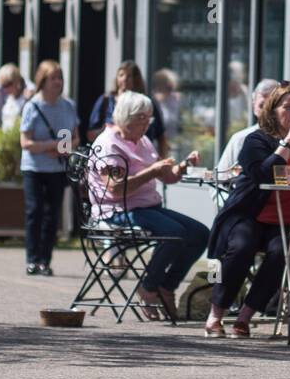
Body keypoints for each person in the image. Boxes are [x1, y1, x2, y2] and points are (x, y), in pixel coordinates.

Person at [204, 80, 290, 339]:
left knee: (280, 252)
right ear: (273, 109)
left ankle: (245, 317)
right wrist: (287, 143)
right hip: (251, 214)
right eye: (288, 107)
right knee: (241, 247)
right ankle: (216, 315)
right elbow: (261, 173)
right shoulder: (256, 139)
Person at [90, 91, 209, 319]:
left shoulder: (142, 141)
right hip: (117, 210)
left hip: (147, 207)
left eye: (149, 118)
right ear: (126, 117)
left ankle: (166, 287)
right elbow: (114, 189)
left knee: (201, 233)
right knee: (174, 233)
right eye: (142, 118)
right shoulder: (109, 145)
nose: (147, 124)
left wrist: (183, 166)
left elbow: (168, 177)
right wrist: (152, 171)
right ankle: (148, 287)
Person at [20, 59, 80, 276]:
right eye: (53, 78)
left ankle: (45, 260)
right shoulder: (33, 106)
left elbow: (72, 138)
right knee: (34, 212)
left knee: (52, 215)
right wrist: (51, 146)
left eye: (60, 77)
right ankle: (32, 259)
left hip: (56, 168)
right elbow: (26, 142)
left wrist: (63, 149)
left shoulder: (68, 106)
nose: (58, 82)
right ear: (42, 81)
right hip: (34, 168)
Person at [85, 61, 166, 155]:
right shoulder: (106, 101)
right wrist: (107, 130)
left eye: (129, 76)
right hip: (115, 155)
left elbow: (161, 137)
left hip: (141, 158)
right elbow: (90, 134)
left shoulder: (147, 104)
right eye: (121, 75)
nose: (124, 79)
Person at [217, 78, 280, 175]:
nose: (267, 111)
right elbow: (221, 178)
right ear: (253, 105)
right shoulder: (240, 139)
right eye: (262, 105)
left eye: (272, 106)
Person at [150, 68, 181, 145]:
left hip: (174, 142)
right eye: (168, 88)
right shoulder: (152, 102)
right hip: (157, 144)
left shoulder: (175, 99)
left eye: (171, 88)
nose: (170, 92)